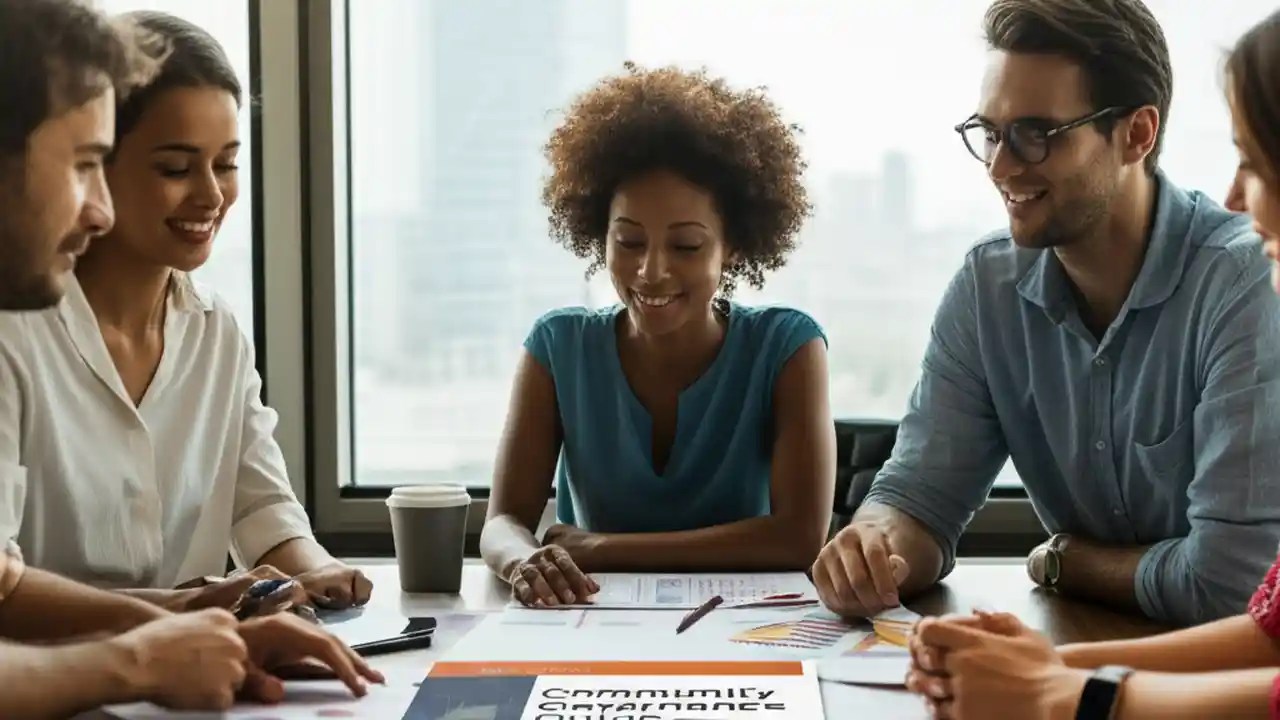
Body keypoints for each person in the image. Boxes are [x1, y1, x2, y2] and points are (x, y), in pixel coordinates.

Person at [813, 0, 1280, 628]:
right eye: (991, 133)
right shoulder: (987, 289)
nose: (1002, 166)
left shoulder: (1245, 281)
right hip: (1080, 659)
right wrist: (874, 545)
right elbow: (919, 499)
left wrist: (1069, 562)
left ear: (1137, 134)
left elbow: (1234, 585)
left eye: (1036, 135)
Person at [0, 1, 381, 716]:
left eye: (228, 164)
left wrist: (300, 579)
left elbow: (261, 502)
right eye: (176, 166)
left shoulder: (216, 330)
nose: (211, 194)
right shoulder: (14, 331)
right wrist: (177, 620)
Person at [480, 63, 835, 607]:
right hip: (589, 627)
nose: (650, 271)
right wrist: (524, 559)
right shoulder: (558, 347)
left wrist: (602, 547)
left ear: (733, 246)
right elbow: (502, 522)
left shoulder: (787, 347)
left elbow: (798, 540)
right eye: (628, 242)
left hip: (745, 633)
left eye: (686, 246)